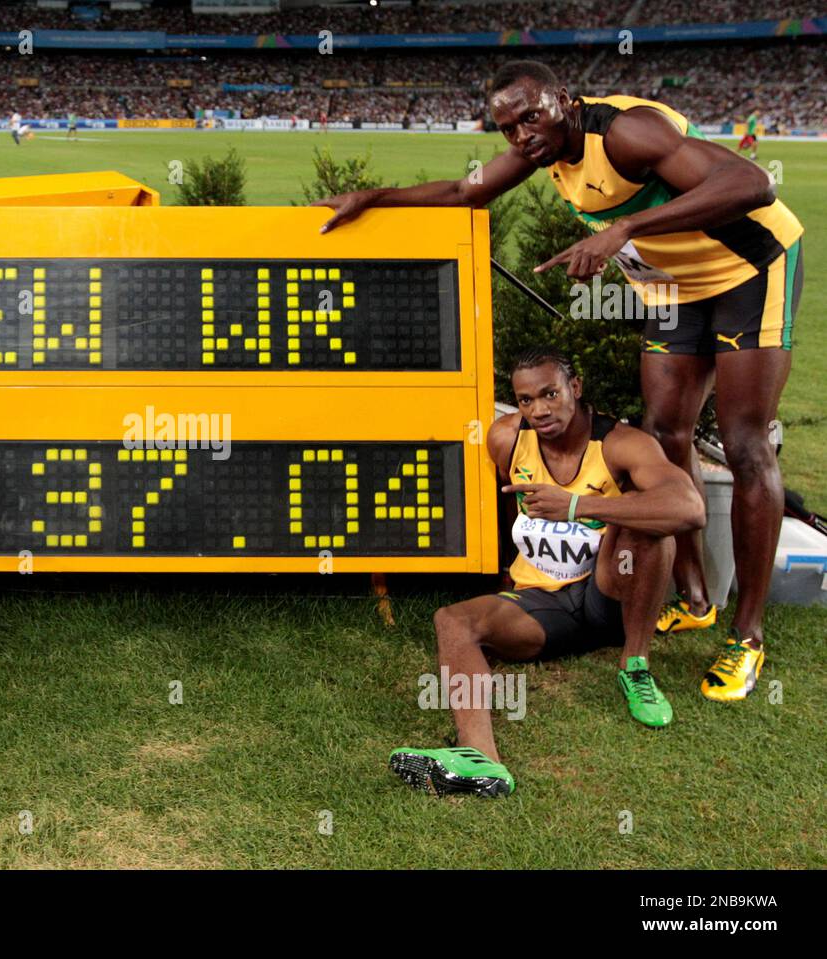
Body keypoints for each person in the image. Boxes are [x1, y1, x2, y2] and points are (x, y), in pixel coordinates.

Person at [316, 60, 804, 703]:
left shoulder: (626, 134)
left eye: (531, 116)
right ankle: (693, 598)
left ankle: (748, 636)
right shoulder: (540, 147)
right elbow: (468, 191)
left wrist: (624, 228)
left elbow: (750, 183)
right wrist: (373, 198)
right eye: (508, 127)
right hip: (672, 287)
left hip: (748, 268)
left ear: (564, 101)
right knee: (663, 433)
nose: (521, 135)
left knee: (744, 443)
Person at [389, 348, 705, 798]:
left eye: (550, 394)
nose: (538, 410)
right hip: (541, 606)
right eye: (525, 400)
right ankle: (481, 760)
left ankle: (635, 665)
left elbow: (689, 509)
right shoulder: (505, 439)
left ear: (575, 389)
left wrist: (576, 506)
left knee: (649, 531)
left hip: (608, 598)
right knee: (452, 620)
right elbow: (503, 502)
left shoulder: (621, 443)